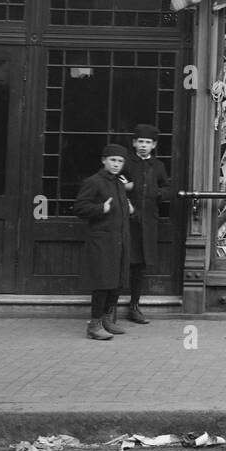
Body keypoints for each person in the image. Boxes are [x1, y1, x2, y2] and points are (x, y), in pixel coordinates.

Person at [74, 143, 135, 341]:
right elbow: (80, 208)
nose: (117, 164)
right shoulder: (94, 181)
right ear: (104, 160)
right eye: (113, 160)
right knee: (102, 283)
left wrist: (129, 210)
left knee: (116, 282)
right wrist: (101, 209)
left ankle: (107, 320)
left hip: (120, 240)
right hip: (102, 241)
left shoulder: (119, 183)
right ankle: (94, 324)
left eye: (120, 161)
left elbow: (122, 208)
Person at [122, 123, 170, 325]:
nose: (143, 146)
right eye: (140, 141)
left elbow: (167, 188)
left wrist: (156, 193)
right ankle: (109, 308)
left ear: (154, 145)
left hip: (148, 222)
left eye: (147, 142)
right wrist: (127, 189)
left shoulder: (158, 166)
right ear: (134, 143)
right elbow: (114, 183)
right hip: (127, 221)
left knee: (140, 266)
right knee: (122, 261)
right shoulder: (125, 163)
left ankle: (134, 306)